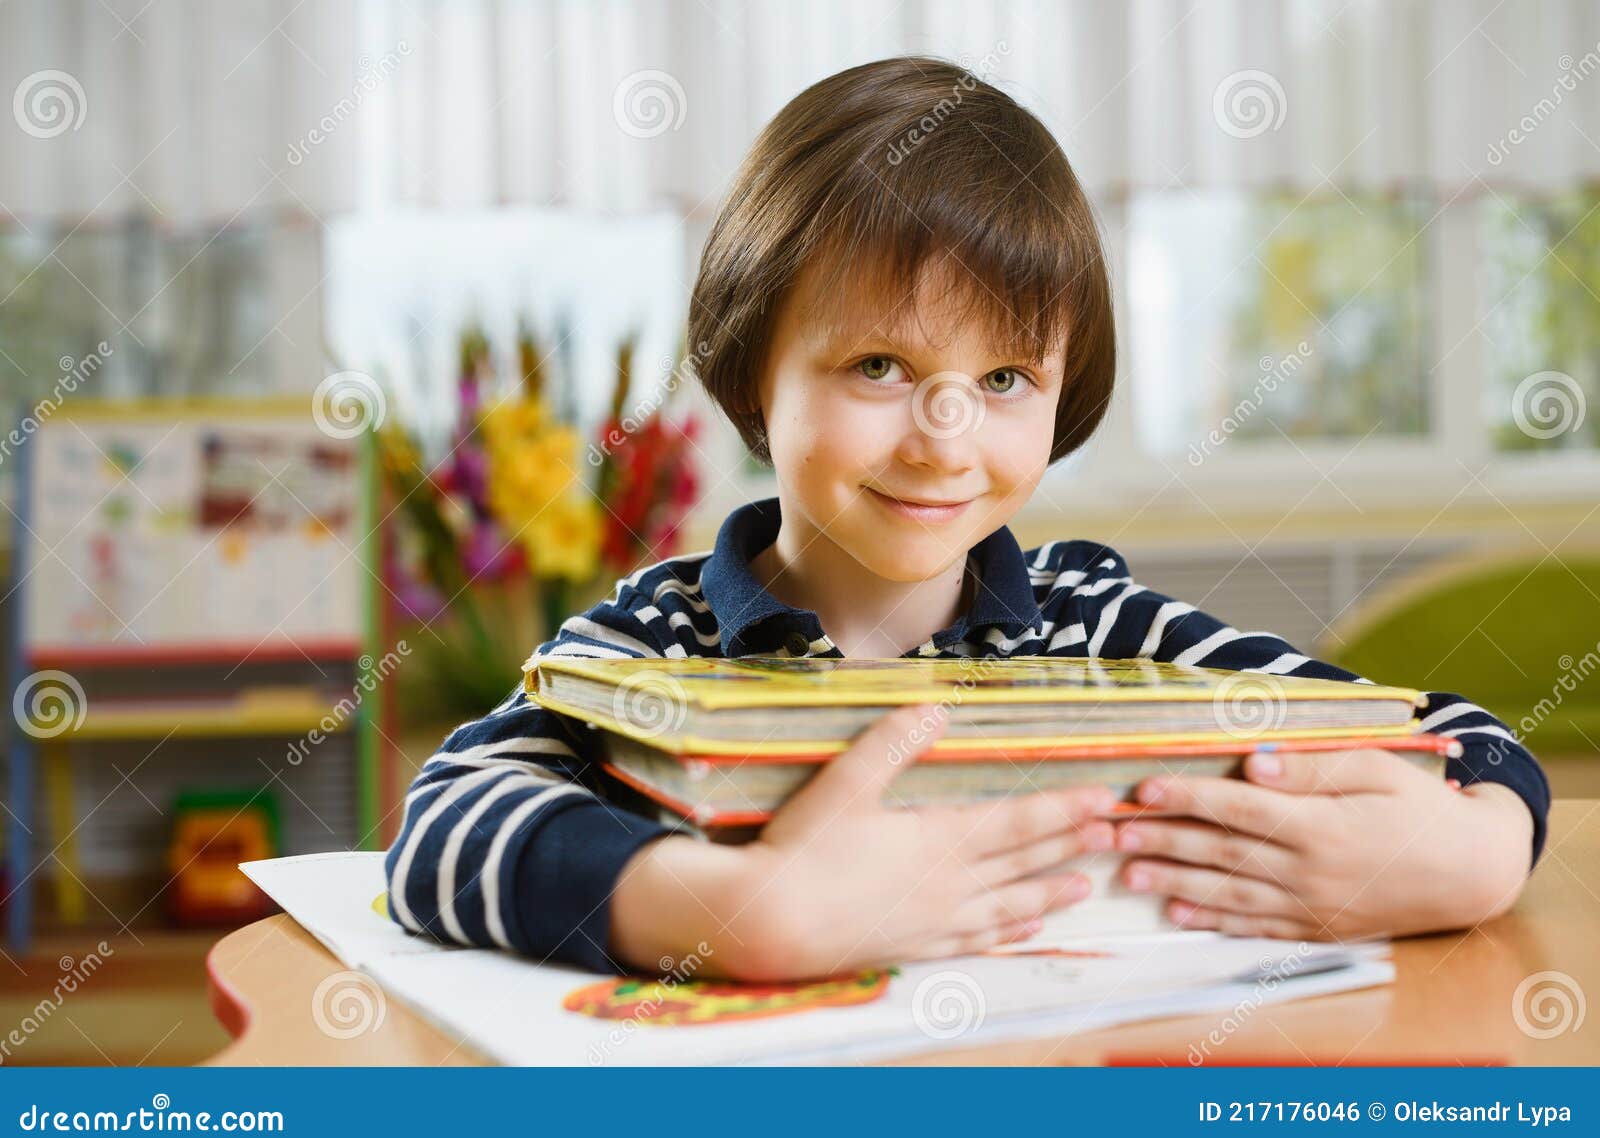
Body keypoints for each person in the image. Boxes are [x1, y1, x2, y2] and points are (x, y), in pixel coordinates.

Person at [384, 56, 1548, 982]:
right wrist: (735, 910)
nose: (944, 439)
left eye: (1003, 379)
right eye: (878, 365)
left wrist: (1477, 852)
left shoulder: (1100, 625)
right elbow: (437, 822)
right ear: (751, 373)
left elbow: (1451, 732)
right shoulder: (656, 636)